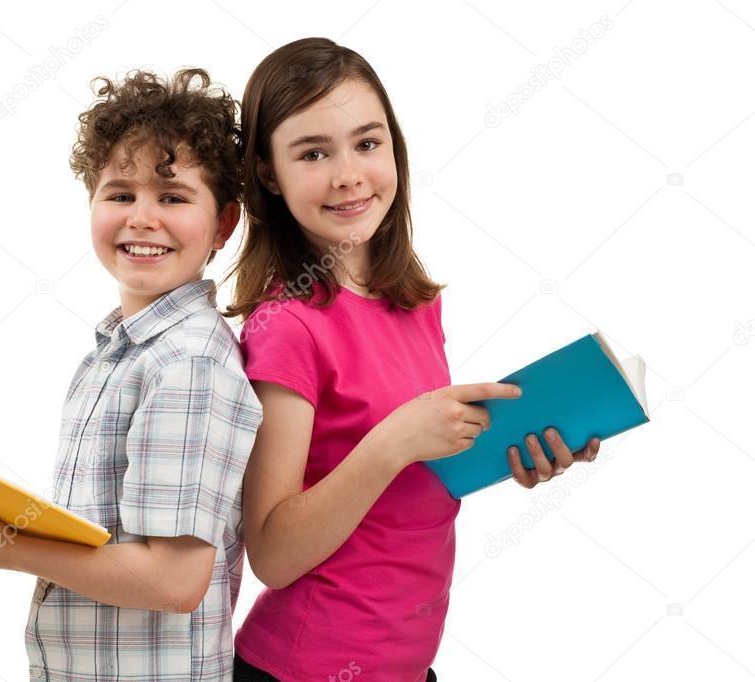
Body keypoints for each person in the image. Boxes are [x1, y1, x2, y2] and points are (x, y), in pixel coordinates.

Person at [224, 38, 602, 681]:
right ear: (268, 174)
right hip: (305, 668)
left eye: (367, 143)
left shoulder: (412, 303)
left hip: (405, 666)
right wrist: (391, 443)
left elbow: (403, 490)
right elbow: (273, 552)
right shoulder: (287, 326)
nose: (348, 173)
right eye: (313, 152)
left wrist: (515, 447)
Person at [0, 68, 263, 681]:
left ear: (224, 224)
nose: (142, 218)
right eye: (120, 194)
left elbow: (175, 581)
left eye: (173, 198)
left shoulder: (190, 363)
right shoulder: (115, 354)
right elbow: (99, 535)